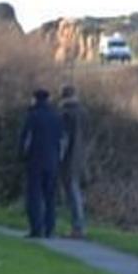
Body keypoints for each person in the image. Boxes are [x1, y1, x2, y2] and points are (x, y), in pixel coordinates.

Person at [19, 89, 64, 238]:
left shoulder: (32, 116)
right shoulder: (56, 117)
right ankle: (50, 228)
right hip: (52, 161)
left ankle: (36, 228)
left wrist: (21, 156)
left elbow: (26, 139)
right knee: (50, 196)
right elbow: (62, 140)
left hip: (35, 160)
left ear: (34, 99)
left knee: (34, 195)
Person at [58, 84, 86, 238]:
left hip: (69, 157)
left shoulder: (65, 114)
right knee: (76, 191)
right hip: (80, 156)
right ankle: (79, 225)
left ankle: (77, 227)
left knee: (72, 192)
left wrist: (58, 158)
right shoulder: (83, 112)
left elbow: (64, 139)